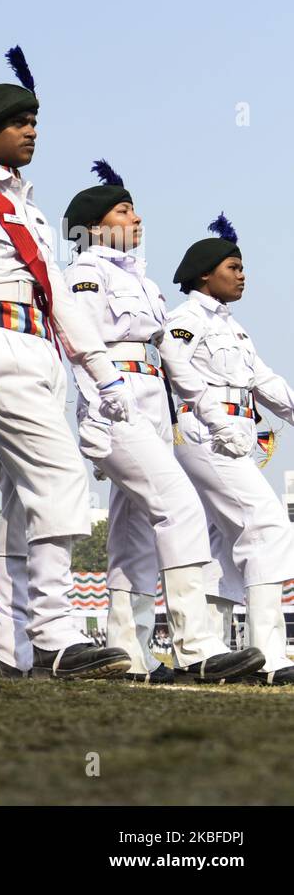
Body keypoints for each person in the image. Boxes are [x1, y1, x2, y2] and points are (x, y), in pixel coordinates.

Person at [0, 46, 132, 679]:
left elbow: (60, 295)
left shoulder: (31, 211)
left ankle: (9, 650)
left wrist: (100, 370)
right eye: (20, 123)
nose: (32, 132)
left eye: (36, 122)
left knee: (20, 508)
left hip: (40, 351)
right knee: (62, 478)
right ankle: (56, 634)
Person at [62, 169, 264, 684]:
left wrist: (206, 415)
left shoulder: (142, 281)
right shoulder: (87, 272)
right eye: (125, 211)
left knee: (134, 537)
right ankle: (196, 645)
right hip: (116, 403)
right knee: (181, 506)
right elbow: (80, 342)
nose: (138, 218)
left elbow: (171, 358)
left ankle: (127, 652)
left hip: (151, 402)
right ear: (92, 226)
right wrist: (92, 415)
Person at [162, 212, 294, 685]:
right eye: (233, 267)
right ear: (204, 274)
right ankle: (270, 656)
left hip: (235, 433)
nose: (242, 275)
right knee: (269, 526)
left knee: (219, 544)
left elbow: (264, 379)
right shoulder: (185, 318)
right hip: (206, 433)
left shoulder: (234, 328)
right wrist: (218, 422)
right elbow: (177, 369)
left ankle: (215, 653)